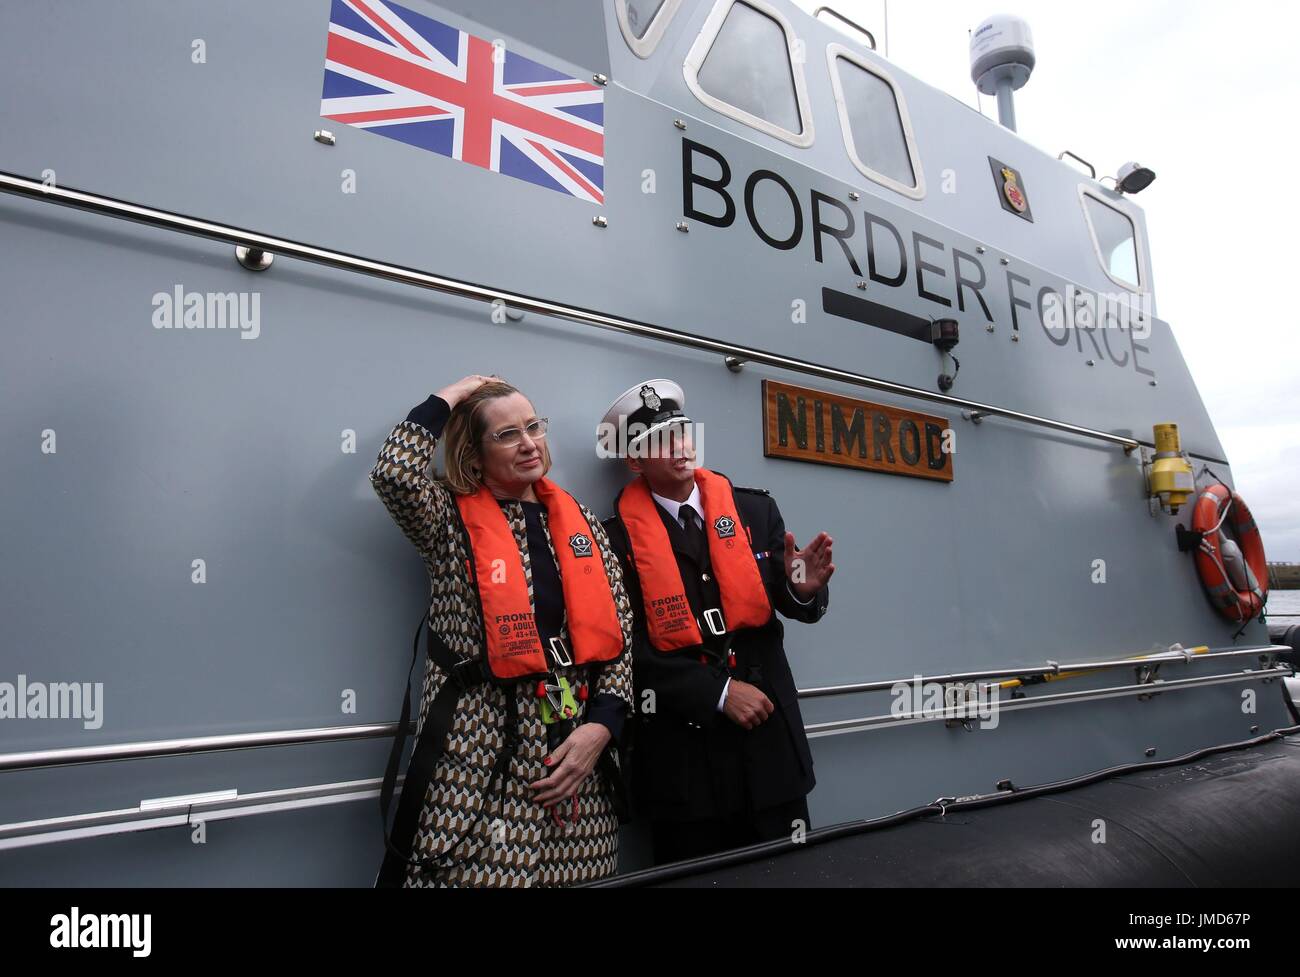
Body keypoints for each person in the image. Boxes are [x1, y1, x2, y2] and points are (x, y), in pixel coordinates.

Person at [369, 375, 634, 887]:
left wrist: (601, 728)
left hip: (574, 763)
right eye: (507, 434)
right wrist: (451, 396)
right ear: (474, 454)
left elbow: (621, 637)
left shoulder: (586, 527)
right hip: (476, 765)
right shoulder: (445, 518)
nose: (529, 443)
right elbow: (394, 476)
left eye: (534, 426)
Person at [599, 379, 835, 865]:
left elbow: (785, 598)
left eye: (683, 434)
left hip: (770, 755)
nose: (680, 449)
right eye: (659, 442)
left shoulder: (754, 509)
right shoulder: (613, 540)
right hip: (685, 770)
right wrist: (718, 693)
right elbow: (624, 649)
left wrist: (802, 589)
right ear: (635, 461)